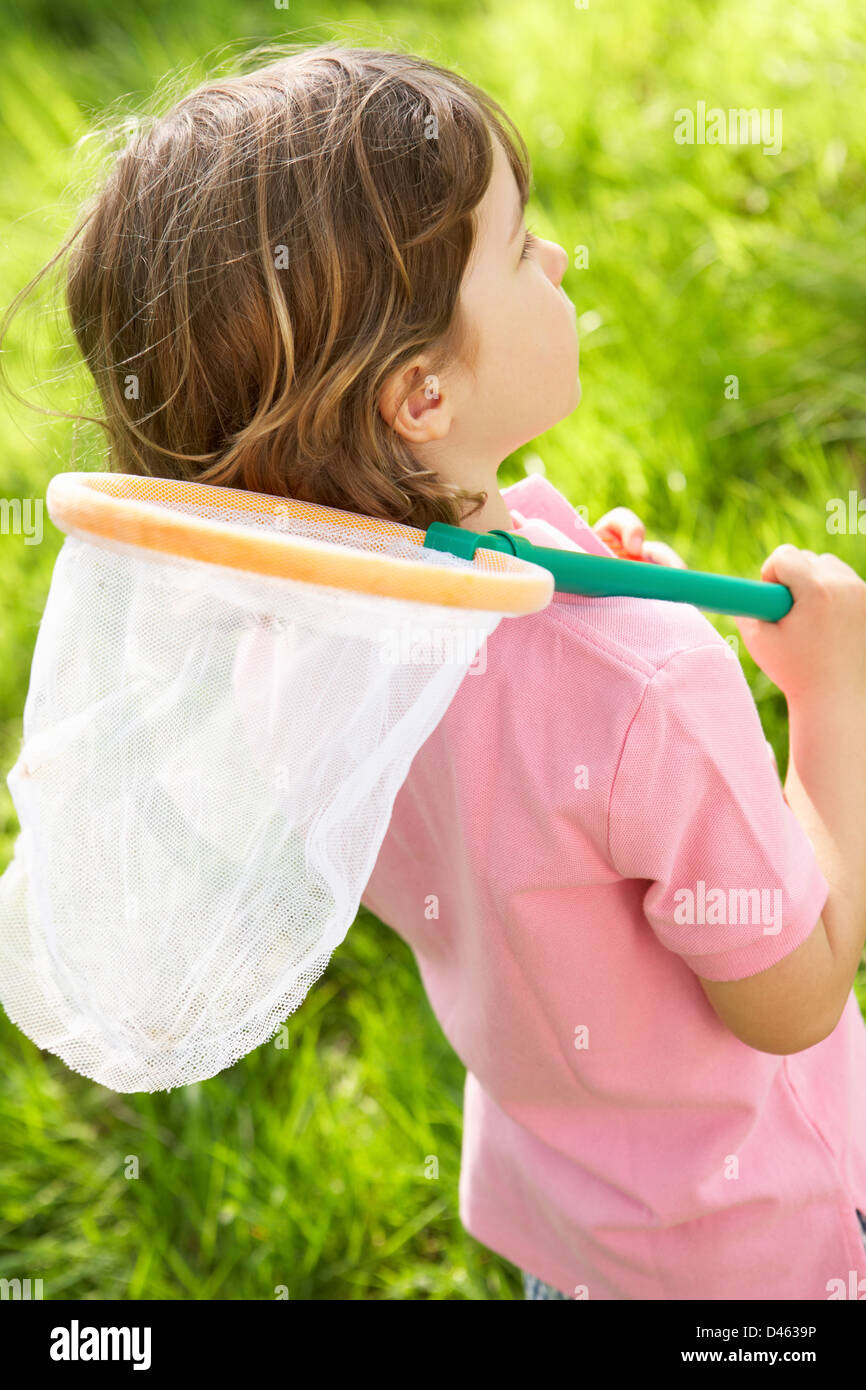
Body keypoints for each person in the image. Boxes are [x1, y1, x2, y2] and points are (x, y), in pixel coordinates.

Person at [11, 42, 866, 1300]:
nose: (560, 259)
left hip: (560, 1226)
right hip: (769, 1244)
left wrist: (603, 583)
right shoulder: (649, 684)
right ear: (420, 398)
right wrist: (828, 698)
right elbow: (793, 996)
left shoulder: (306, 639)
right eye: (519, 250)